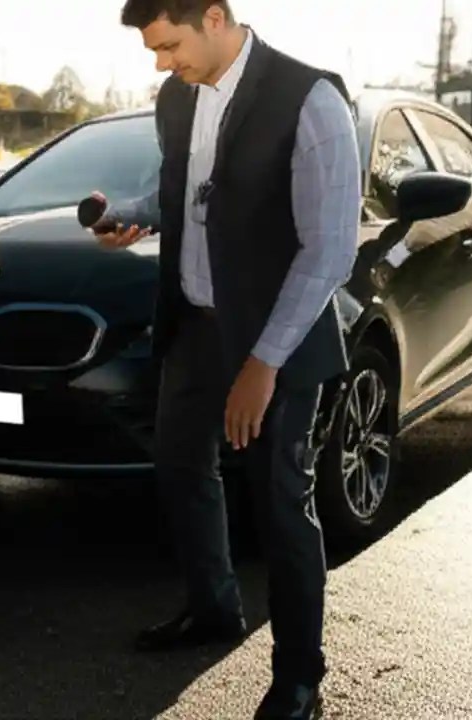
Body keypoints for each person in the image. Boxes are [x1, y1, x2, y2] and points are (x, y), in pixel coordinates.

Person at [91, 2, 359, 719]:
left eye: (169, 45)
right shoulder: (177, 96)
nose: (160, 63)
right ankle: (214, 609)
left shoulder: (311, 99)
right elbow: (182, 190)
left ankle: (300, 676)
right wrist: (135, 213)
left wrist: (263, 362)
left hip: (279, 337)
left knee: (280, 503)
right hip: (195, 326)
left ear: (214, 17)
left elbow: (330, 248)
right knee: (179, 464)